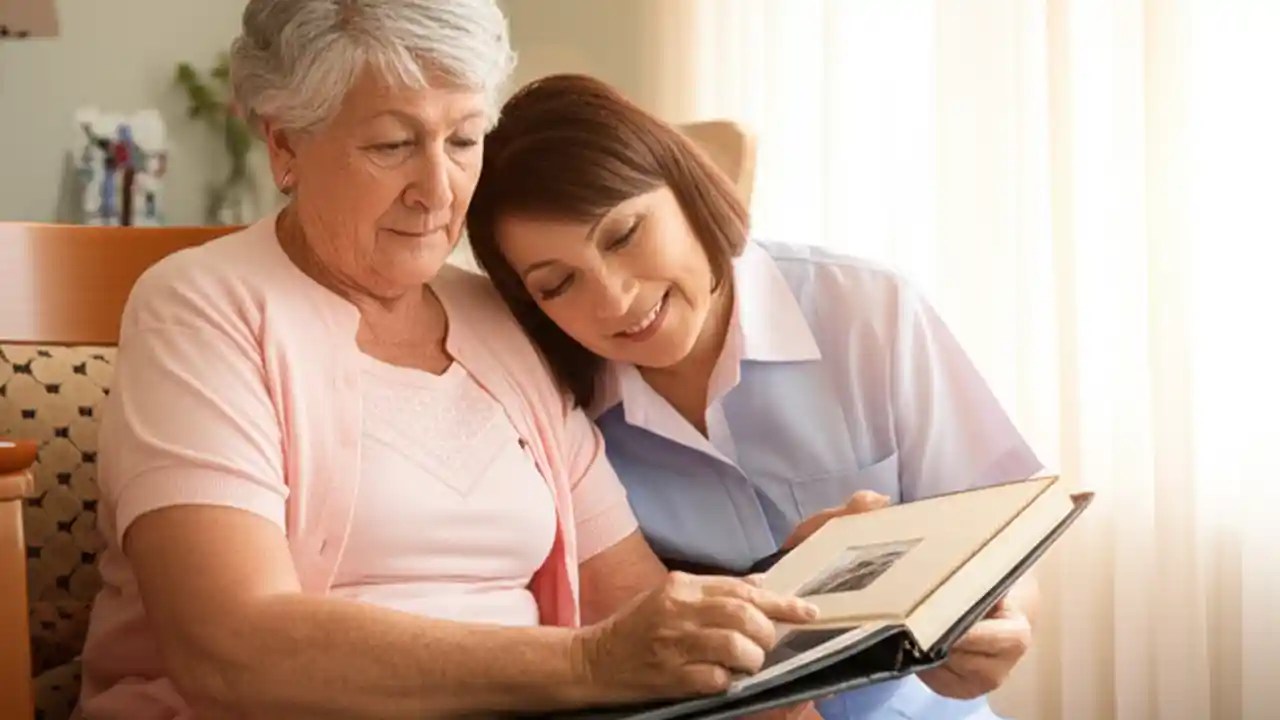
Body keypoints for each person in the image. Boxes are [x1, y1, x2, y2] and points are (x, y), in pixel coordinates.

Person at [76, 5, 823, 719]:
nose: (438, 192)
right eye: (393, 145)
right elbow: (231, 653)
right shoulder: (202, 306)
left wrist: (769, 648)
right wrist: (585, 667)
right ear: (284, 146)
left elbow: (625, 595)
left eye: (464, 140)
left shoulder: (499, 314)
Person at [465, 73, 1046, 720]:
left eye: (625, 235)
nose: (615, 300)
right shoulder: (553, 412)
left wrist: (1002, 625)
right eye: (557, 284)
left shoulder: (868, 313)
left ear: (685, 187)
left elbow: (1008, 536)